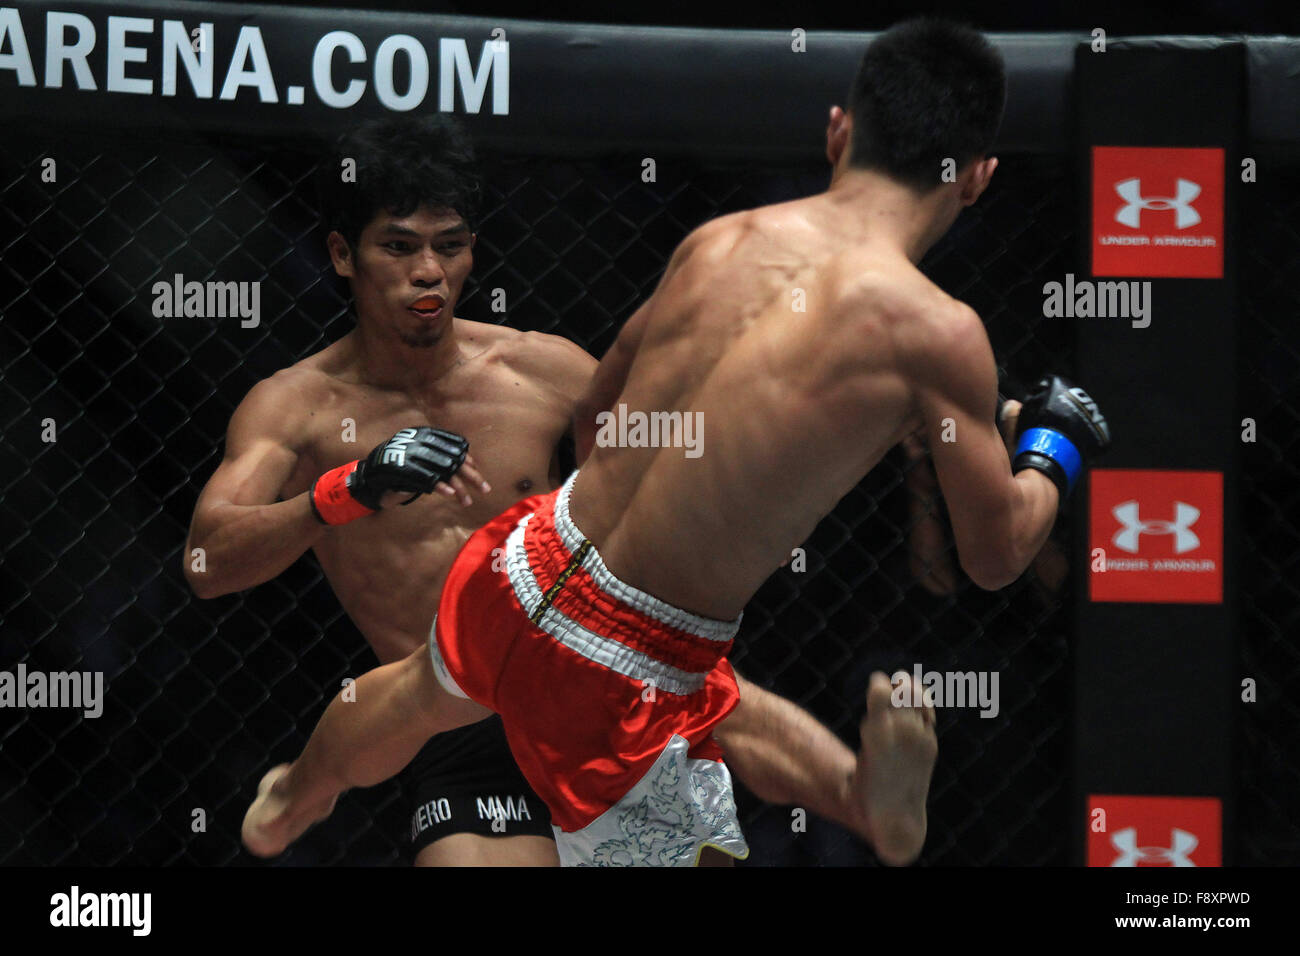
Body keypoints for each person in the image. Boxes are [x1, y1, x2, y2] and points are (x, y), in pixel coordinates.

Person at [242, 17, 1110, 866]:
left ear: (839, 131)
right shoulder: (937, 333)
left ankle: (293, 796)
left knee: (428, 686)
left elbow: (596, 414)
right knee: (679, 715)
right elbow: (994, 556)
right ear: (978, 177)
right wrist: (1054, 445)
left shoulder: (720, 241)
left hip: (530, 555)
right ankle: (859, 798)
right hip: (630, 657)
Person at [187, 115, 912, 866]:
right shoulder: (295, 408)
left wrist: (858, 416)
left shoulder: (545, 372)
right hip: (454, 729)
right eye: (399, 247)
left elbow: (677, 453)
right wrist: (346, 490)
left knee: (688, 669)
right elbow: (208, 562)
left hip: (604, 692)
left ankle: (859, 792)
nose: (428, 271)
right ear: (343, 254)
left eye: (450, 245)